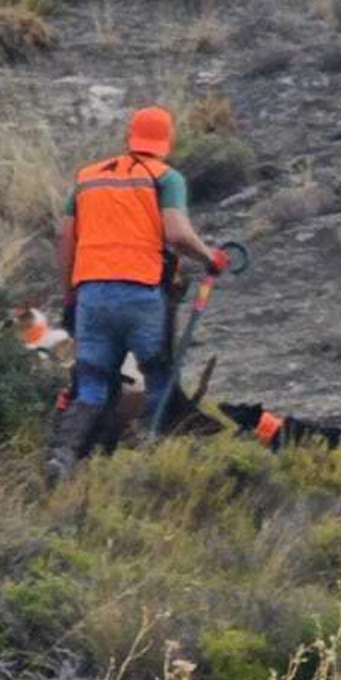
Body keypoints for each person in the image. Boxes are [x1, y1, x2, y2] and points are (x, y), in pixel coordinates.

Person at [45, 106, 227, 480]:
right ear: (166, 141)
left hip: (92, 295)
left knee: (91, 383)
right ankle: (146, 454)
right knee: (159, 376)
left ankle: (62, 458)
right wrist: (210, 257)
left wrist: (70, 293)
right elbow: (176, 234)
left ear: (130, 136)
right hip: (141, 295)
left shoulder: (88, 177)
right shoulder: (166, 178)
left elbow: (64, 236)